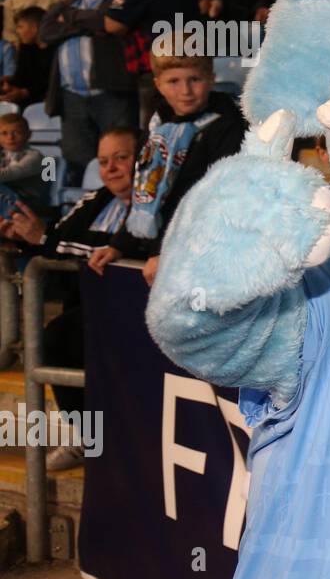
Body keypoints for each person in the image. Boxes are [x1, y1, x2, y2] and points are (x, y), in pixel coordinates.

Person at [0, 127, 138, 470]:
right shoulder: (97, 199)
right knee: (55, 339)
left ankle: (109, 439)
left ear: (145, 161)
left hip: (138, 313)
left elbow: (99, 251)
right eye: (104, 161)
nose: (111, 168)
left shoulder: (157, 206)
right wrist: (27, 237)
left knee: (58, 337)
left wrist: (44, 240)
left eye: (122, 158)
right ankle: (89, 437)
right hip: (95, 310)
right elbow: (60, 237)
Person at [92, 46, 245, 281]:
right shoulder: (155, 127)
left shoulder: (230, 128)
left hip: (203, 257)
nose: (185, 91)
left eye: (195, 79)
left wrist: (168, 253)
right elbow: (144, 194)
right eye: (173, 81)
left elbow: (216, 202)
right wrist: (118, 245)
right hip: (160, 255)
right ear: (158, 84)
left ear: (211, 79)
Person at [37, 0, 136, 186]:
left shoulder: (119, 1)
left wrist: (72, 20)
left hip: (111, 94)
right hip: (71, 98)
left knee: (122, 159)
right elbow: (46, 32)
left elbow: (108, 23)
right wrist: (92, 24)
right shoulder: (66, 4)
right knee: (78, 162)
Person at [3, 5, 50, 109]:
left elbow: (48, 83)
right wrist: (9, 87)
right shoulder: (26, 48)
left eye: (20, 27)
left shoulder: (55, 51)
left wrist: (25, 92)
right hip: (24, 103)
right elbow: (21, 76)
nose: (17, 31)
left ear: (35, 28)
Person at [0, 112, 44, 218]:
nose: (10, 137)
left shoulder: (35, 157)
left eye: (17, 132)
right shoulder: (2, 155)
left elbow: (12, 173)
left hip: (27, 204)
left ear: (28, 135)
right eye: (4, 133)